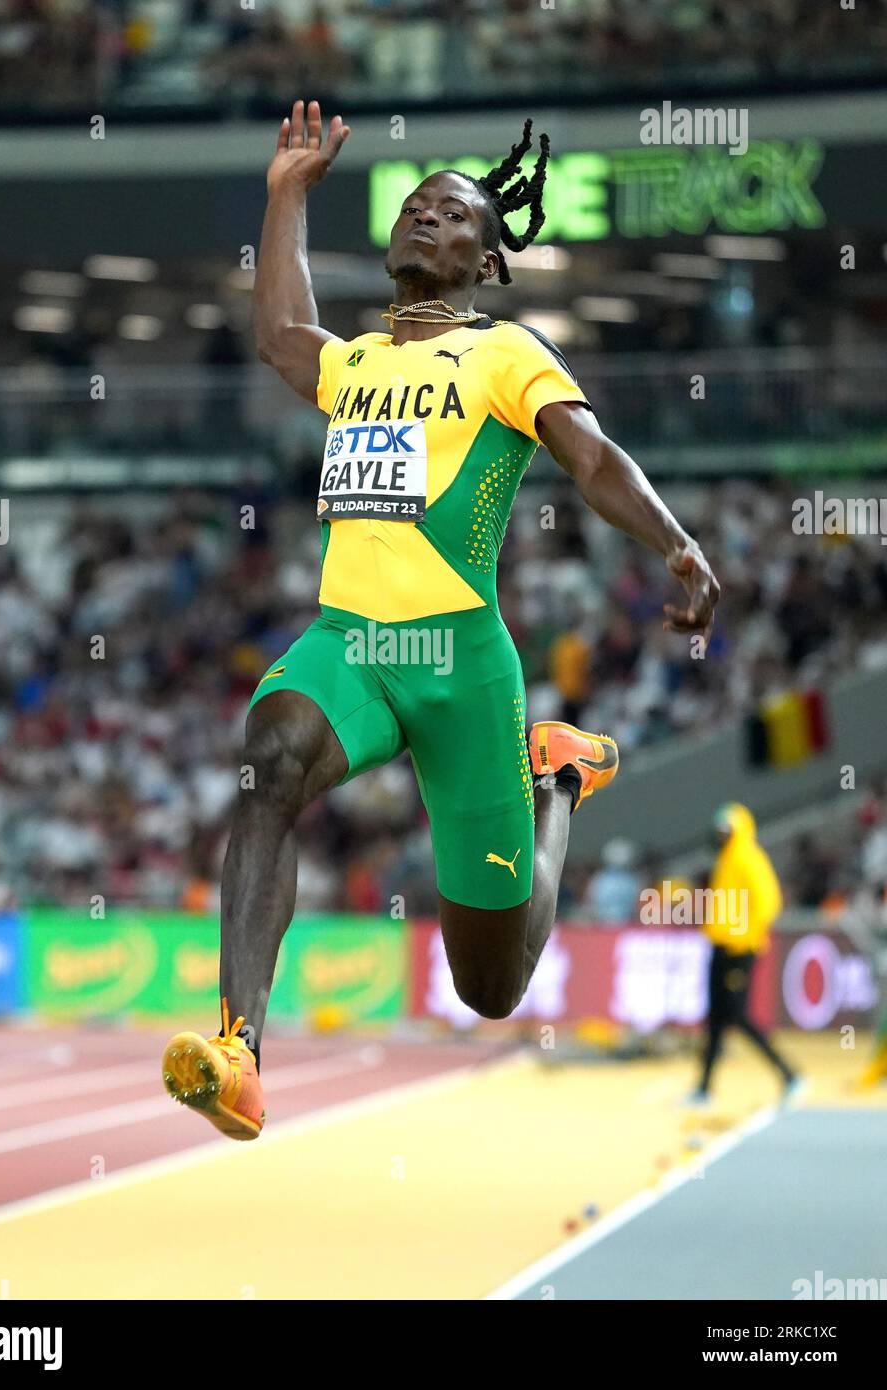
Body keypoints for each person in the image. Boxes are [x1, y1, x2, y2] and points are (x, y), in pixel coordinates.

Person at [162, 100, 719, 1139]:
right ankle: (239, 1049)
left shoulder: (507, 354)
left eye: (455, 213)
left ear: (486, 258)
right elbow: (284, 333)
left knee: (492, 987)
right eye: (417, 206)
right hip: (354, 648)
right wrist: (285, 196)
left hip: (463, 673)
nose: (428, 217)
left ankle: (556, 778)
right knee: (271, 754)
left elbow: (591, 459)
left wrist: (674, 543)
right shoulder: (358, 365)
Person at [689, 803, 800, 1103]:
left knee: (737, 1016)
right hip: (721, 948)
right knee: (715, 1020)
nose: (721, 836)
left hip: (739, 951)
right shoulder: (727, 860)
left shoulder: (750, 859)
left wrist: (744, 935)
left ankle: (789, 1073)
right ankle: (703, 1088)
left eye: (726, 831)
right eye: (719, 831)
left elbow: (769, 903)